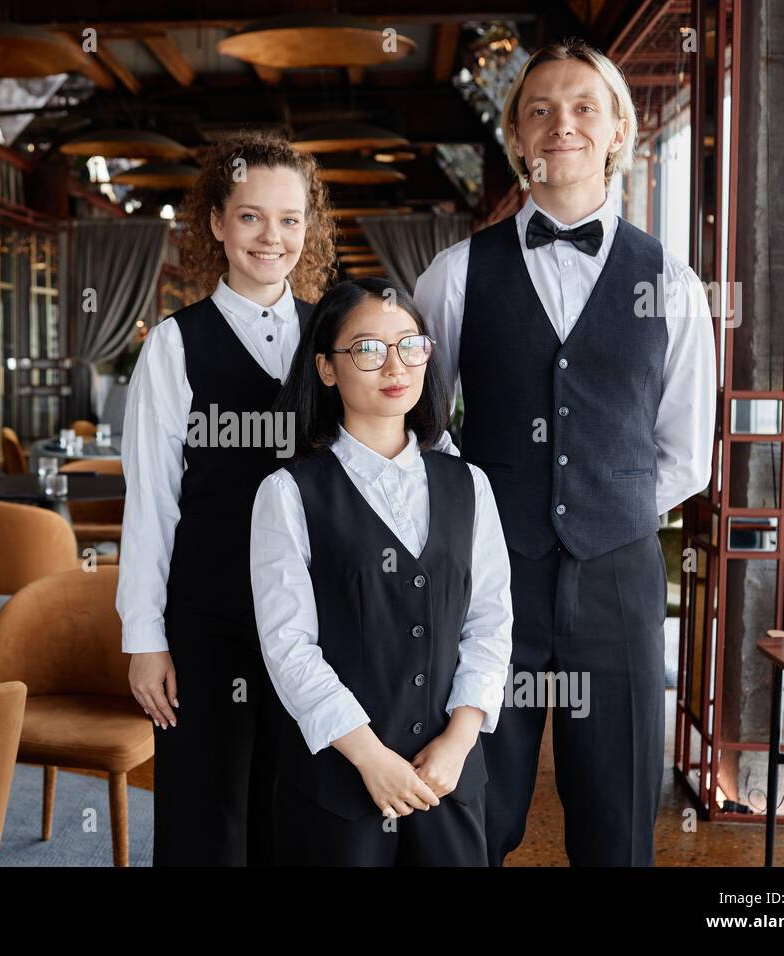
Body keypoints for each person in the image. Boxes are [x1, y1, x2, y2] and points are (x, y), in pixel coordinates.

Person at [413, 38, 716, 866]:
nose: (562, 125)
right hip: (488, 579)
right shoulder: (455, 274)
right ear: (517, 137)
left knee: (617, 821)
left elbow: (686, 452)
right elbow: (419, 424)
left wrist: (602, 508)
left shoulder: (674, 281)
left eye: (585, 106)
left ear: (620, 129)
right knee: (475, 807)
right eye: (540, 109)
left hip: (618, 582)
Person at [117, 131, 337, 865]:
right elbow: (150, 501)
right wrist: (144, 637)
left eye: (288, 219)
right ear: (215, 222)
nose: (270, 237)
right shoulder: (174, 345)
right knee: (205, 816)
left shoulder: (333, 339)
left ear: (308, 228)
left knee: (297, 805)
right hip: (207, 613)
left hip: (314, 619)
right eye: (249, 216)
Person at [250, 278, 513, 866]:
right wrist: (370, 758)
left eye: (410, 345)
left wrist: (459, 740)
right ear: (326, 368)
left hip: (448, 781)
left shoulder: (470, 486)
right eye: (367, 349)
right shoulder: (288, 493)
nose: (394, 364)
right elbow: (288, 647)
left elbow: (491, 626)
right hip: (338, 788)